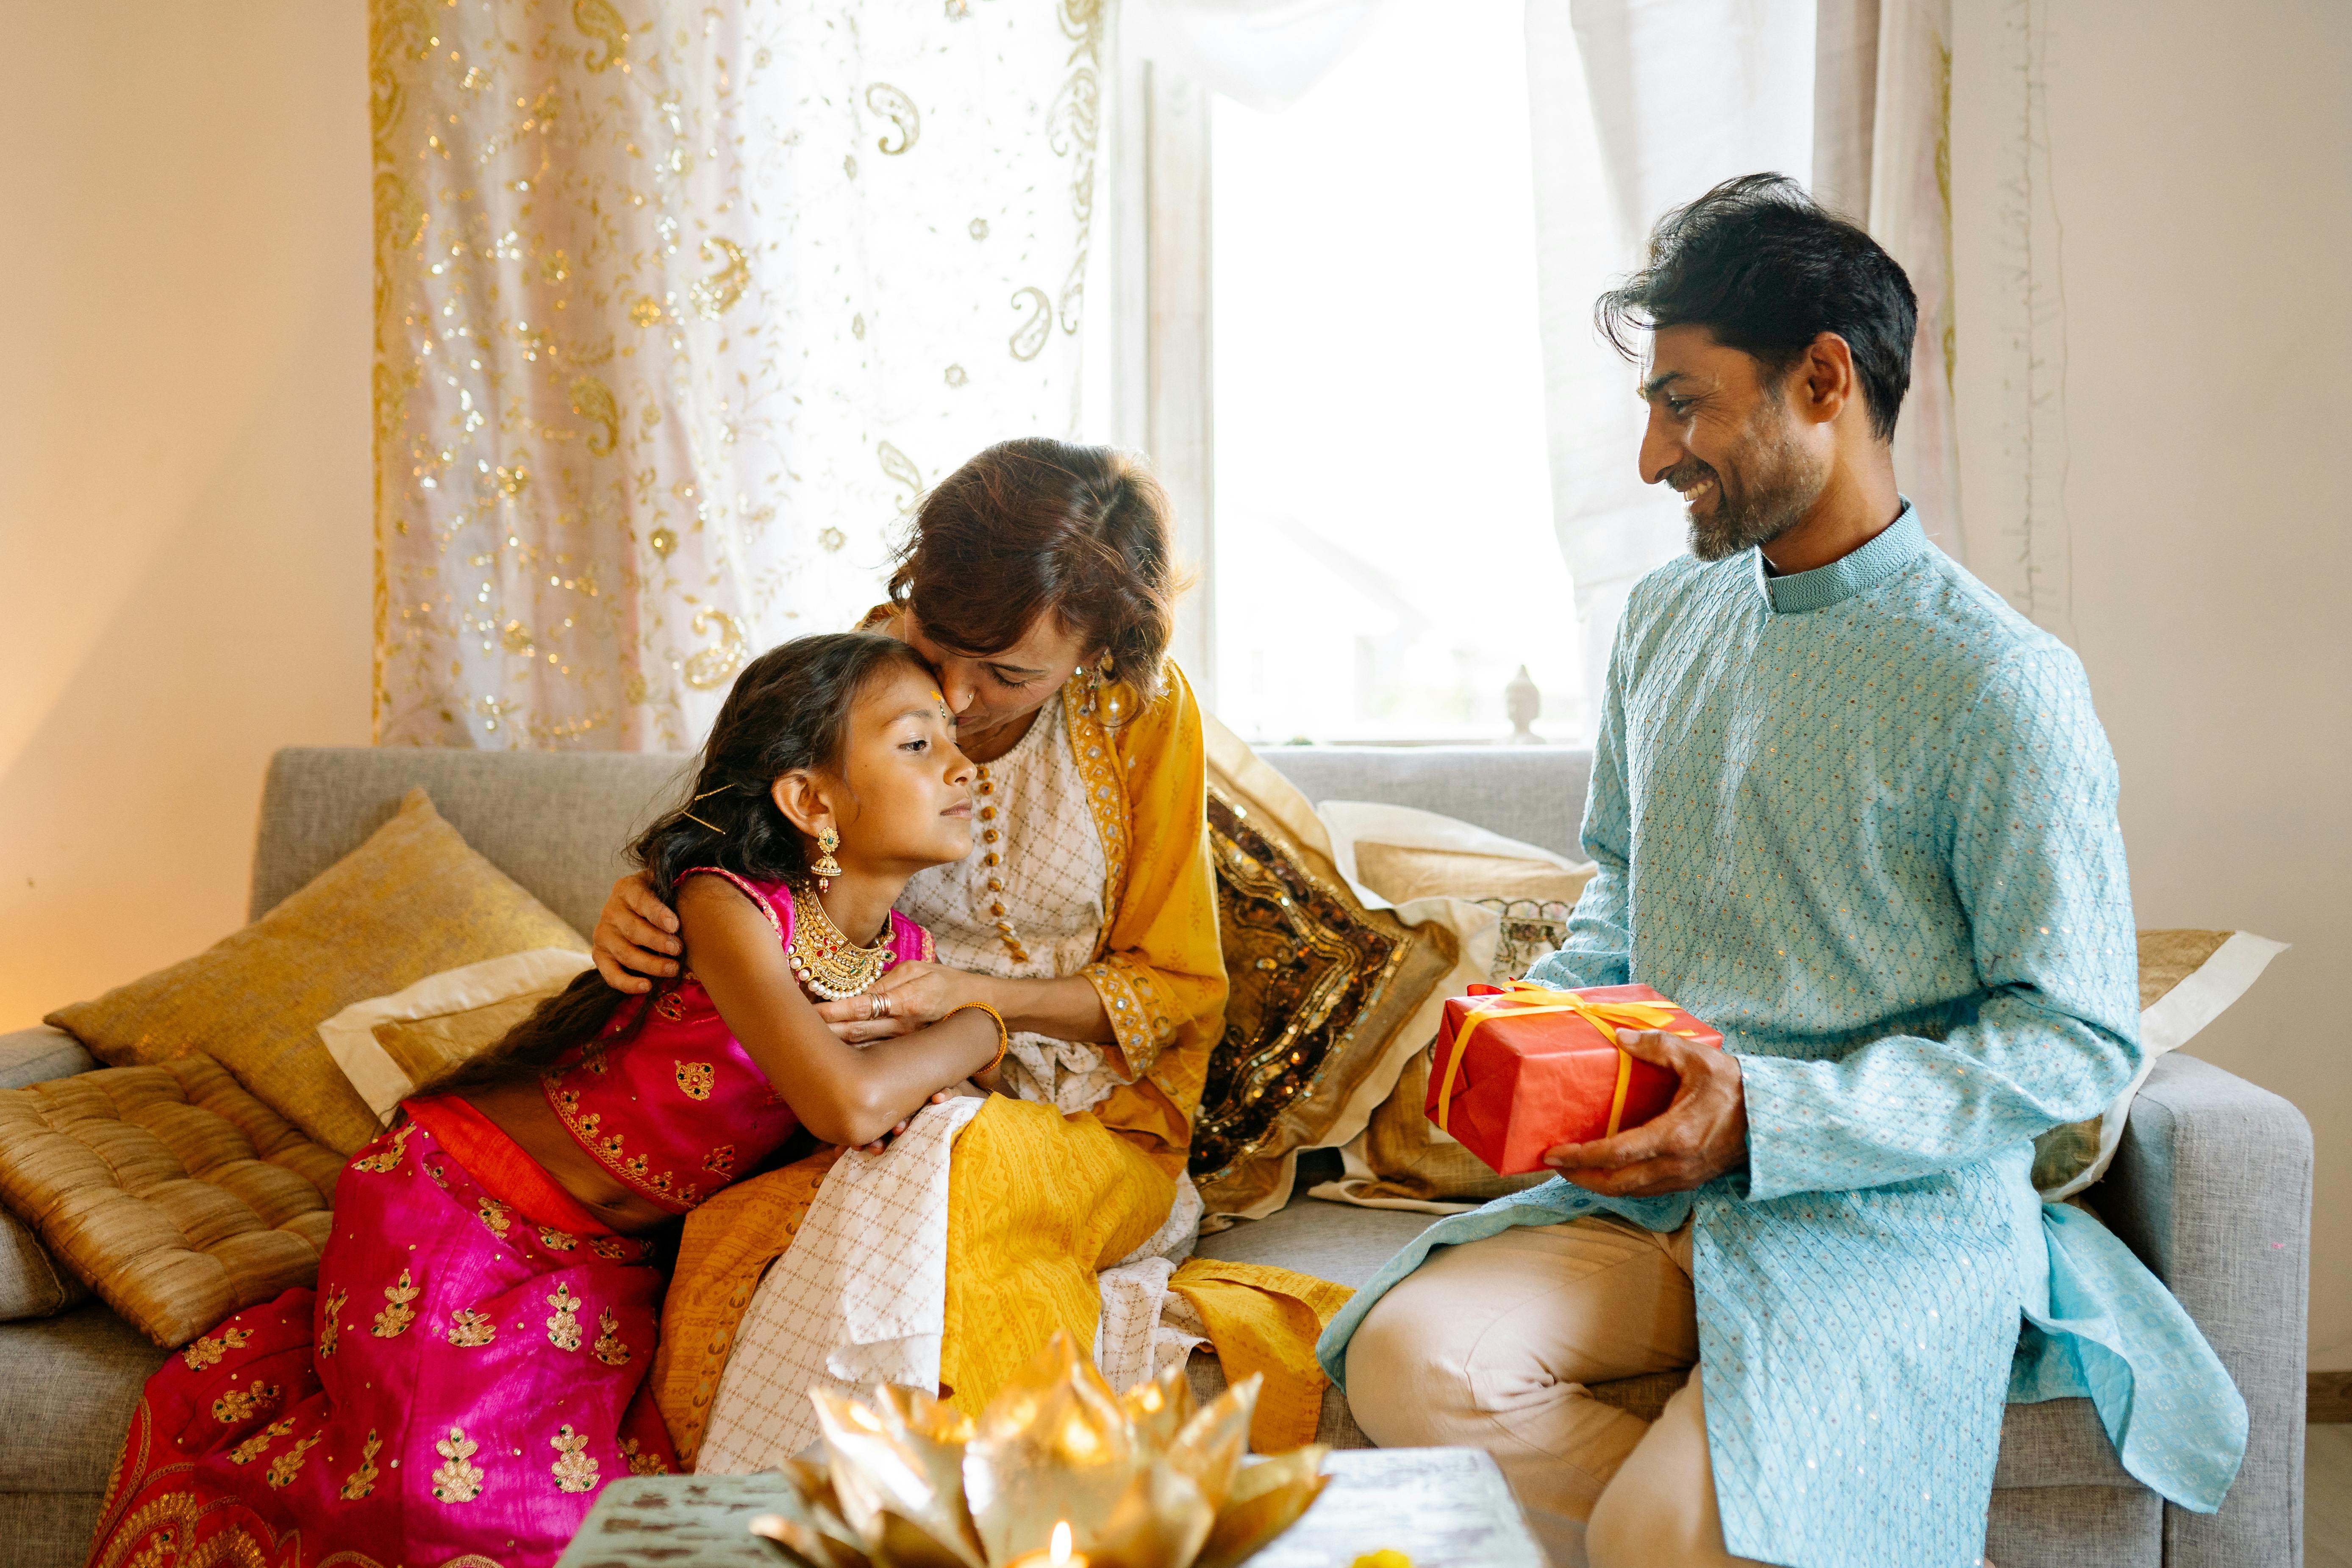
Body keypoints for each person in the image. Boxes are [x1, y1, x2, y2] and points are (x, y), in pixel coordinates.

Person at [1319, 175, 2245, 1568]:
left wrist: (1770, 1116)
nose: (1649, 458)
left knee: (1655, 1530)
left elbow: (2075, 1040)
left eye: (1682, 403)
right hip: (1653, 1197)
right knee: (1413, 1363)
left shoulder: (2000, 687)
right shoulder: (1662, 618)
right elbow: (1620, 892)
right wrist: (1535, 1039)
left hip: (1882, 1218)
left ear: (1823, 381)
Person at [85, 633, 1010, 1568]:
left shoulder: (907, 965)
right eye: (918, 745)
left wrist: (964, 1027)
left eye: (953, 741)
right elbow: (846, 1106)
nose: (962, 766)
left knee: (601, 1520)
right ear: (811, 801)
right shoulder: (729, 905)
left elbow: (952, 1113)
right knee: (436, 1498)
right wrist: (980, 1024)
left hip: (606, 1266)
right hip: (458, 1205)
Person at [591, 438, 1232, 1460]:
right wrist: (642, 898)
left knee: (956, 1164)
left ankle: (970, 1509)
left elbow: (1182, 991)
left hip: (1096, 1114)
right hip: (869, 1103)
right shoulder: (866, 669)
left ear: (1094, 655)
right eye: (941, 645)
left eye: (1011, 675)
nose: (960, 697)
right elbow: (746, 852)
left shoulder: (1139, 717)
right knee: (765, 1231)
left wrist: (975, 1002)